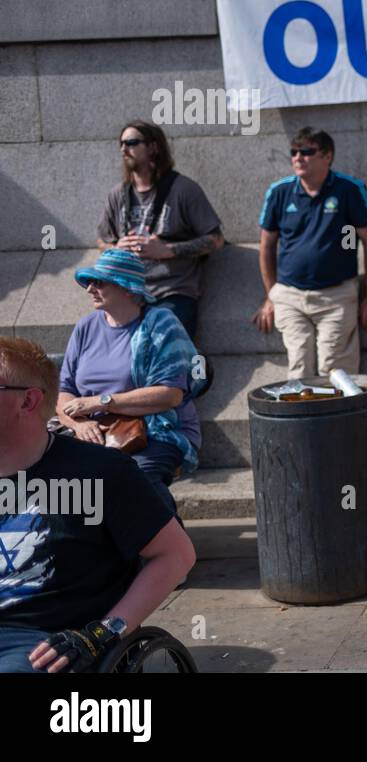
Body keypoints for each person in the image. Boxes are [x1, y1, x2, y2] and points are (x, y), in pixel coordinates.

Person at [0, 337, 196, 674]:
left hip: (43, 641)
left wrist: (106, 631)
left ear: (27, 401)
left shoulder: (100, 471)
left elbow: (175, 555)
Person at [55, 250, 202, 516]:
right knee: (55, 477)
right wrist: (79, 424)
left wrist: (102, 402)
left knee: (136, 477)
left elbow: (170, 395)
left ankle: (170, 548)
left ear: (127, 288)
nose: (90, 289)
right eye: (89, 282)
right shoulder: (86, 326)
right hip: (93, 431)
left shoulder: (161, 324)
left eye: (99, 282)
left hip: (154, 430)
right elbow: (65, 393)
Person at [252, 128, 367, 379]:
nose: (298, 158)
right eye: (294, 152)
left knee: (334, 370)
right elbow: (266, 246)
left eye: (307, 152)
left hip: (336, 295)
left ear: (327, 156)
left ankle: (337, 419)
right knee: (299, 368)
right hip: (290, 294)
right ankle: (304, 419)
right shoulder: (279, 192)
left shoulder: (349, 189)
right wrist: (271, 295)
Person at [96, 120, 224, 340]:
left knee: (167, 359)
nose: (124, 149)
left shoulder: (184, 189)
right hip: (127, 292)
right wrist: (116, 247)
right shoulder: (117, 194)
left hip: (171, 292)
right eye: (121, 143)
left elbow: (216, 240)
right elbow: (101, 240)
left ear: (154, 147)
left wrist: (168, 250)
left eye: (132, 142)